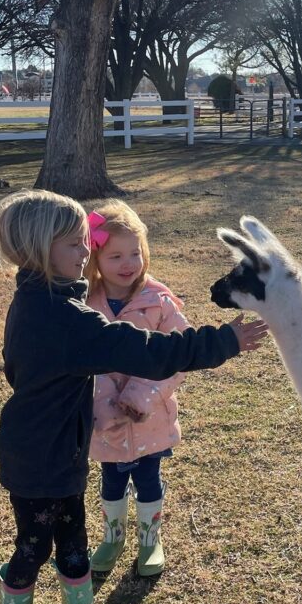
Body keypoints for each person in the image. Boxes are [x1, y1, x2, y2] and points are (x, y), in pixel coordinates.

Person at [0, 189, 267, 604]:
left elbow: (18, 369)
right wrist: (223, 340)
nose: (86, 252)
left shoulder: (33, 299)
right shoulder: (66, 317)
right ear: (40, 250)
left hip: (50, 450)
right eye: (75, 244)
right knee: (33, 547)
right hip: (42, 457)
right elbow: (146, 351)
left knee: (70, 539)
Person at [84, 201, 188, 578]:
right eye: (115, 256)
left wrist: (142, 394)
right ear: (95, 258)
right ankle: (112, 538)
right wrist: (102, 404)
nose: (128, 263)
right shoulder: (84, 304)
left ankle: (150, 540)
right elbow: (78, 359)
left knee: (148, 479)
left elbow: (179, 355)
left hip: (150, 419)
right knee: (111, 481)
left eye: (135, 253)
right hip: (104, 421)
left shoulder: (159, 302)